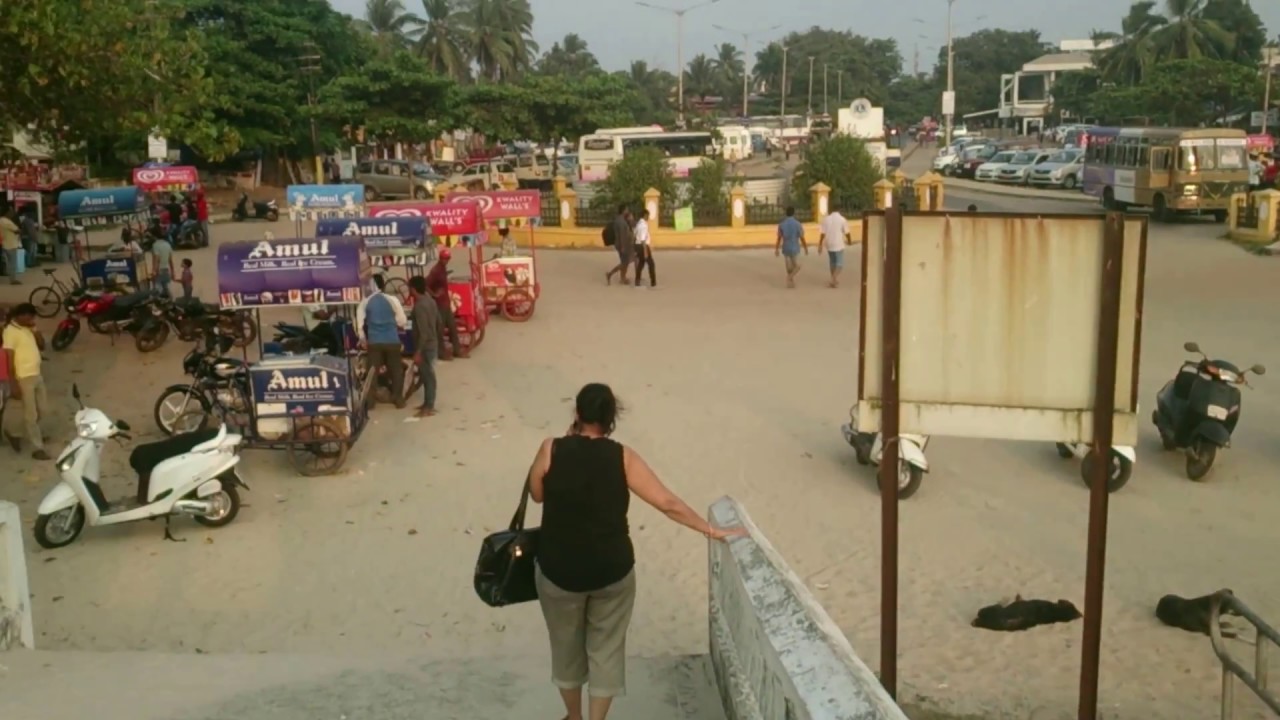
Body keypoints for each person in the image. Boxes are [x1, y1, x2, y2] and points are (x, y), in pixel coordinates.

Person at [525, 383, 745, 720]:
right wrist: (711, 530)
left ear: (577, 414)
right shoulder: (622, 457)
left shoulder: (551, 448)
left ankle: (574, 716)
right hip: (611, 571)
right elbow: (667, 503)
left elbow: (536, 493)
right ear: (611, 419)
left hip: (559, 570)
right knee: (607, 649)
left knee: (565, 646)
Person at [3, 303, 49, 460]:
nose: (31, 319)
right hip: (24, 377)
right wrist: (13, 383)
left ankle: (18, 434)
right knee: (31, 414)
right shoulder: (10, 332)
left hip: (37, 374)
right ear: (20, 315)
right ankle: (37, 448)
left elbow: (42, 346)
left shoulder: (28, 328)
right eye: (29, 316)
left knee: (42, 410)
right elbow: (9, 358)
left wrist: (35, 330)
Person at [356, 274, 409, 408]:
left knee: (372, 372)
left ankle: (370, 402)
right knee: (396, 370)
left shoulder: (365, 302)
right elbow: (402, 321)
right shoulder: (392, 300)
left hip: (374, 342)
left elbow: (359, 325)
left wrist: (363, 339)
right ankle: (398, 399)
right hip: (392, 341)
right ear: (383, 285)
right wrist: (391, 323)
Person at [408, 276, 443, 417]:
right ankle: (427, 403)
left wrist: (418, 352)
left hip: (425, 346)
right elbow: (439, 322)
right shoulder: (431, 302)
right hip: (432, 344)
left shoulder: (419, 306)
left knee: (428, 376)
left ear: (414, 289)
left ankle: (429, 406)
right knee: (426, 374)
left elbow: (423, 333)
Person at [425, 248, 465, 360]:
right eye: (444, 258)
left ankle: (457, 350)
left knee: (452, 327)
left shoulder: (442, 269)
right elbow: (426, 284)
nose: (445, 260)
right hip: (440, 304)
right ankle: (441, 353)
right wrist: (434, 295)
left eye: (447, 258)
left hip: (446, 303)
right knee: (440, 330)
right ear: (440, 258)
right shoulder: (436, 270)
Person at [817, 205, 850, 289]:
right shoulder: (842, 219)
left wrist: (820, 244)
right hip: (838, 243)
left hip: (829, 243)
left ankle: (834, 281)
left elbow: (822, 233)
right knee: (839, 264)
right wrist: (849, 240)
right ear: (839, 209)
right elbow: (847, 232)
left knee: (832, 262)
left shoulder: (826, 219)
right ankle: (833, 279)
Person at [774, 206, 807, 288]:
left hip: (786, 247)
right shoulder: (797, 224)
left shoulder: (781, 224)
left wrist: (776, 249)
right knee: (796, 266)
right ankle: (790, 278)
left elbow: (779, 238)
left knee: (788, 267)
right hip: (794, 246)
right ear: (793, 213)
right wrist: (805, 247)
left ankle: (791, 281)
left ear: (786, 213)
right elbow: (802, 237)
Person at [604, 205, 634, 286]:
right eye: (627, 209)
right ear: (623, 210)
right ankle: (610, 274)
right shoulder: (620, 221)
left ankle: (623, 278)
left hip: (623, 244)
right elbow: (622, 235)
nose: (628, 211)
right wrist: (623, 247)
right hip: (622, 245)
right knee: (625, 262)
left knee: (625, 262)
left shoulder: (621, 220)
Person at [632, 208, 655, 288]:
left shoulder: (638, 224)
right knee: (651, 264)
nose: (648, 217)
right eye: (648, 215)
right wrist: (645, 251)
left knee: (641, 263)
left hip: (638, 246)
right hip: (643, 246)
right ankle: (653, 282)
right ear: (645, 215)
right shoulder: (643, 225)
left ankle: (637, 280)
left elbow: (634, 235)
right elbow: (642, 239)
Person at [1, 209, 21, 285]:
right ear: (8, 213)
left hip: (5, 243)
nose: (12, 215)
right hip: (11, 244)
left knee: (8, 262)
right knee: (12, 263)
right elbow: (17, 230)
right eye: (11, 213)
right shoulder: (7, 222)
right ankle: (13, 280)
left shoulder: (1, 220)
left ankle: (10, 276)